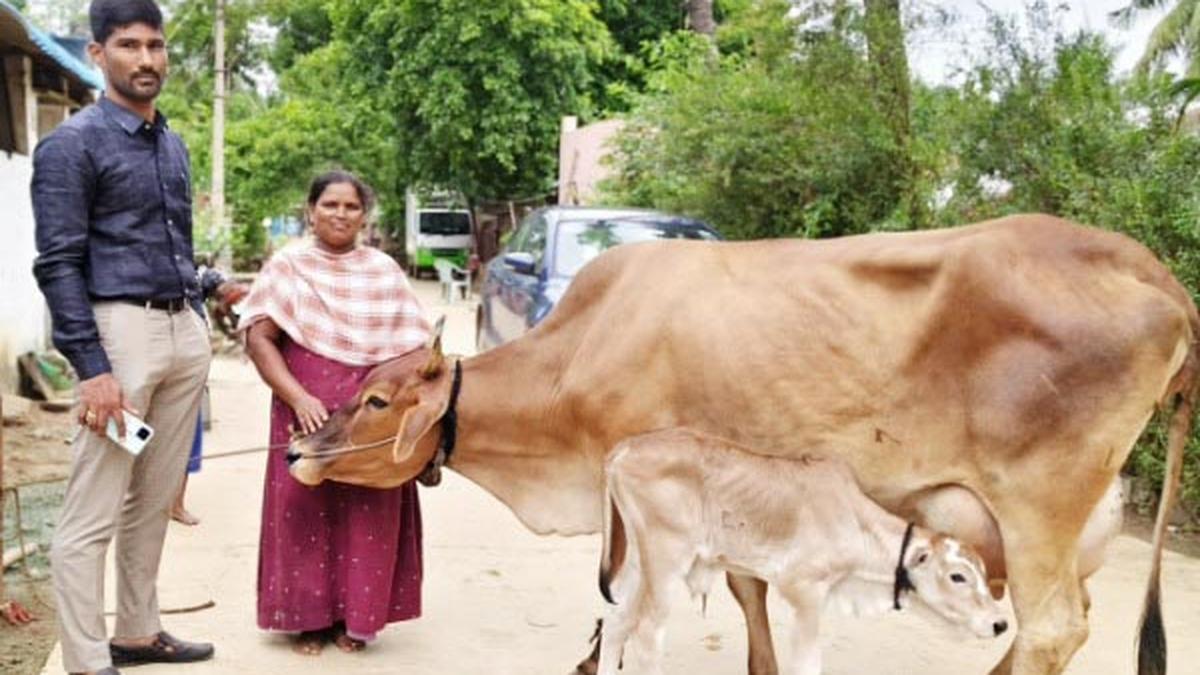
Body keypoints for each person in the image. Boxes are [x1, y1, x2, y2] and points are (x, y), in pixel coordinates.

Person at [30, 2, 215, 673]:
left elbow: (167, 242)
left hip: (180, 334)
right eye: (129, 45)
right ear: (98, 53)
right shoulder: (71, 145)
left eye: (156, 45)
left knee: (155, 496)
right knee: (93, 511)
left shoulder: (171, 141)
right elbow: (57, 262)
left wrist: (199, 304)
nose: (147, 59)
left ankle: (137, 632)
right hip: (121, 339)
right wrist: (92, 366)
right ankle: (86, 658)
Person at [239, 171, 429, 655]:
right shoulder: (288, 267)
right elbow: (259, 338)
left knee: (369, 507)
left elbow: (413, 349)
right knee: (302, 506)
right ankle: (308, 620)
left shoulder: (383, 270)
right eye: (330, 205)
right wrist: (298, 397)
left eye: (351, 207)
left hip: (370, 417)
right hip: (303, 408)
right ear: (310, 210)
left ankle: (357, 619)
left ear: (364, 216)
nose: (340, 214)